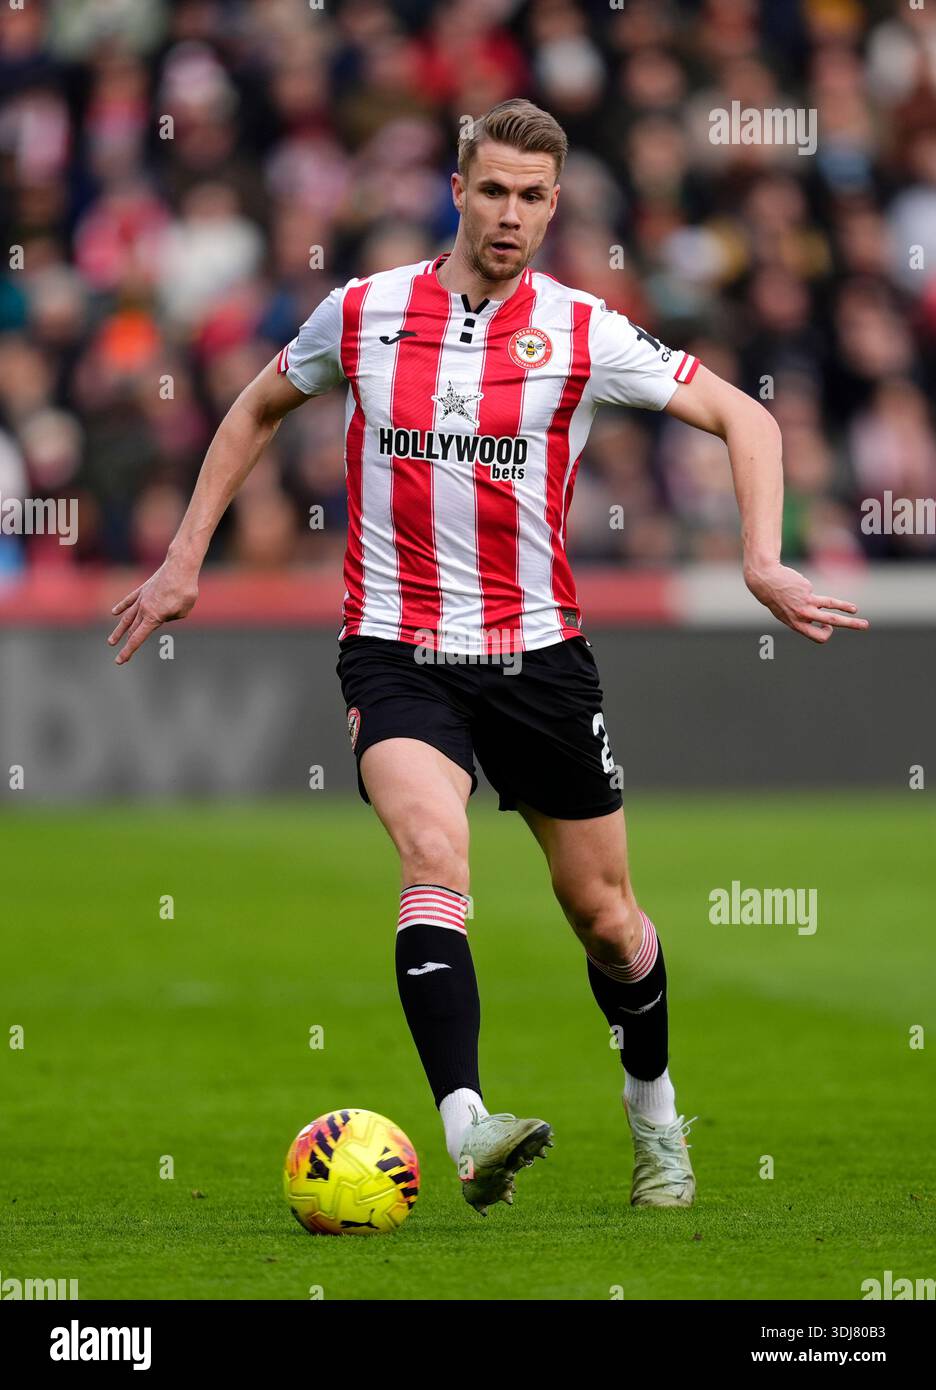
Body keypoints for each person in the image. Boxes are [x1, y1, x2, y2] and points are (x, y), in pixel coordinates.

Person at [109, 99, 868, 1215]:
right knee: (433, 853)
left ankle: (655, 1115)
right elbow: (256, 405)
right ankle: (468, 1127)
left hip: (540, 659)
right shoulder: (362, 313)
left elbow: (746, 421)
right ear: (457, 190)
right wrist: (184, 558)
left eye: (532, 197)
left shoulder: (583, 329)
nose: (510, 215)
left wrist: (762, 556)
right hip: (396, 651)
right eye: (493, 191)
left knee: (607, 918)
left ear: (555, 206)